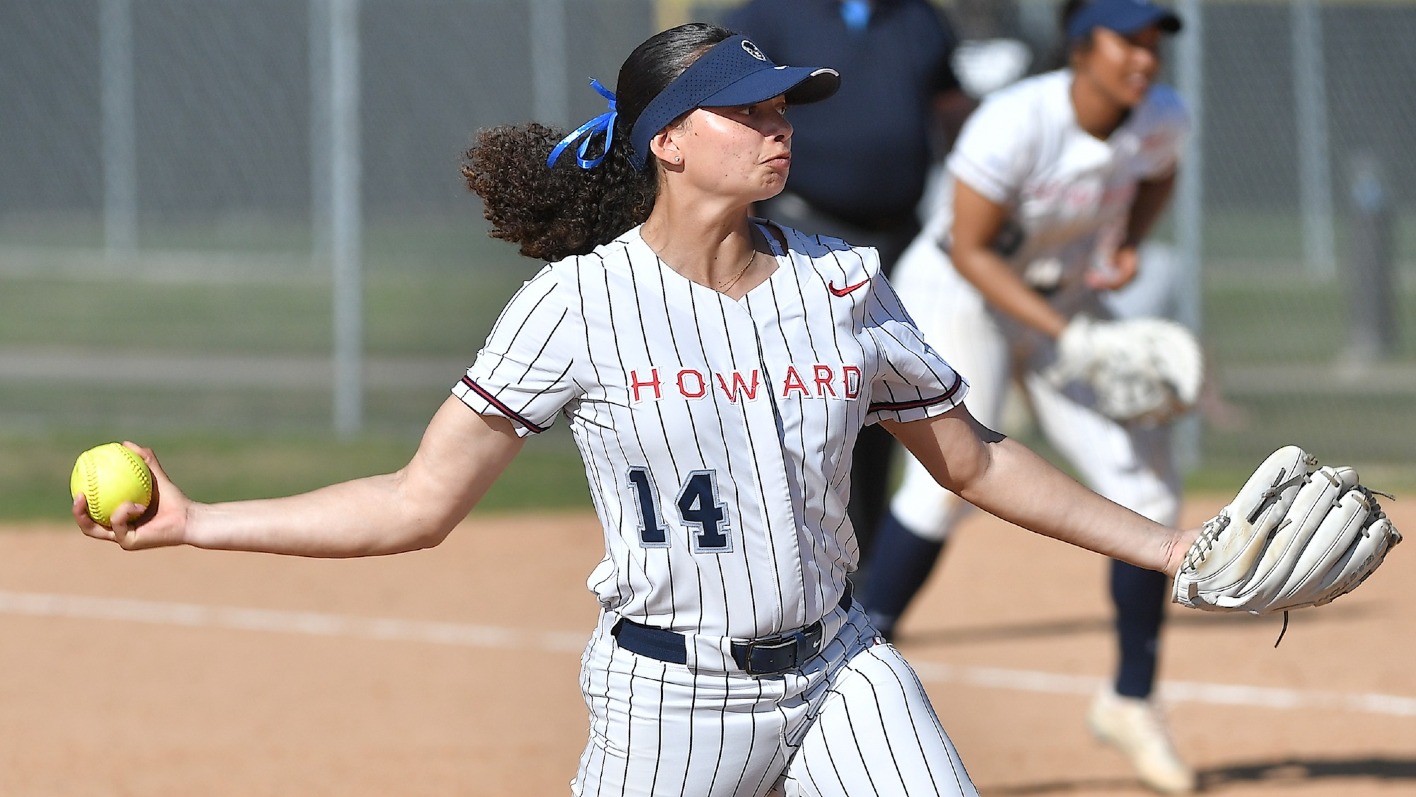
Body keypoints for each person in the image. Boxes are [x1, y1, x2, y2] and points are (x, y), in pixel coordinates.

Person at [74, 22, 1201, 797]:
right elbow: (417, 502)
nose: (777, 122)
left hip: (841, 669)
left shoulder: (842, 281)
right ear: (667, 140)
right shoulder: (571, 306)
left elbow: (974, 460)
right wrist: (198, 519)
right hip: (670, 695)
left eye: (781, 104)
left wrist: (1168, 544)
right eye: (743, 109)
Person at [855, 0, 1197, 793]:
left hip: (1058, 296)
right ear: (1082, 45)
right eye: (1127, 40)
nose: (1144, 59)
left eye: (1153, 43)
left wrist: (1127, 244)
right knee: (947, 487)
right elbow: (970, 248)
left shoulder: (1160, 117)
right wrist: (1071, 337)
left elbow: (1161, 170)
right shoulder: (1017, 120)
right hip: (958, 293)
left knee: (1145, 487)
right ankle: (853, 666)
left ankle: (1131, 701)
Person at [722, 0, 976, 568]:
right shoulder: (767, 16)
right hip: (801, 224)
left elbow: (951, 105)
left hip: (901, 234)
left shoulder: (916, 16)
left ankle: (859, 568)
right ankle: (772, 558)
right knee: (809, 396)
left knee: (884, 389)